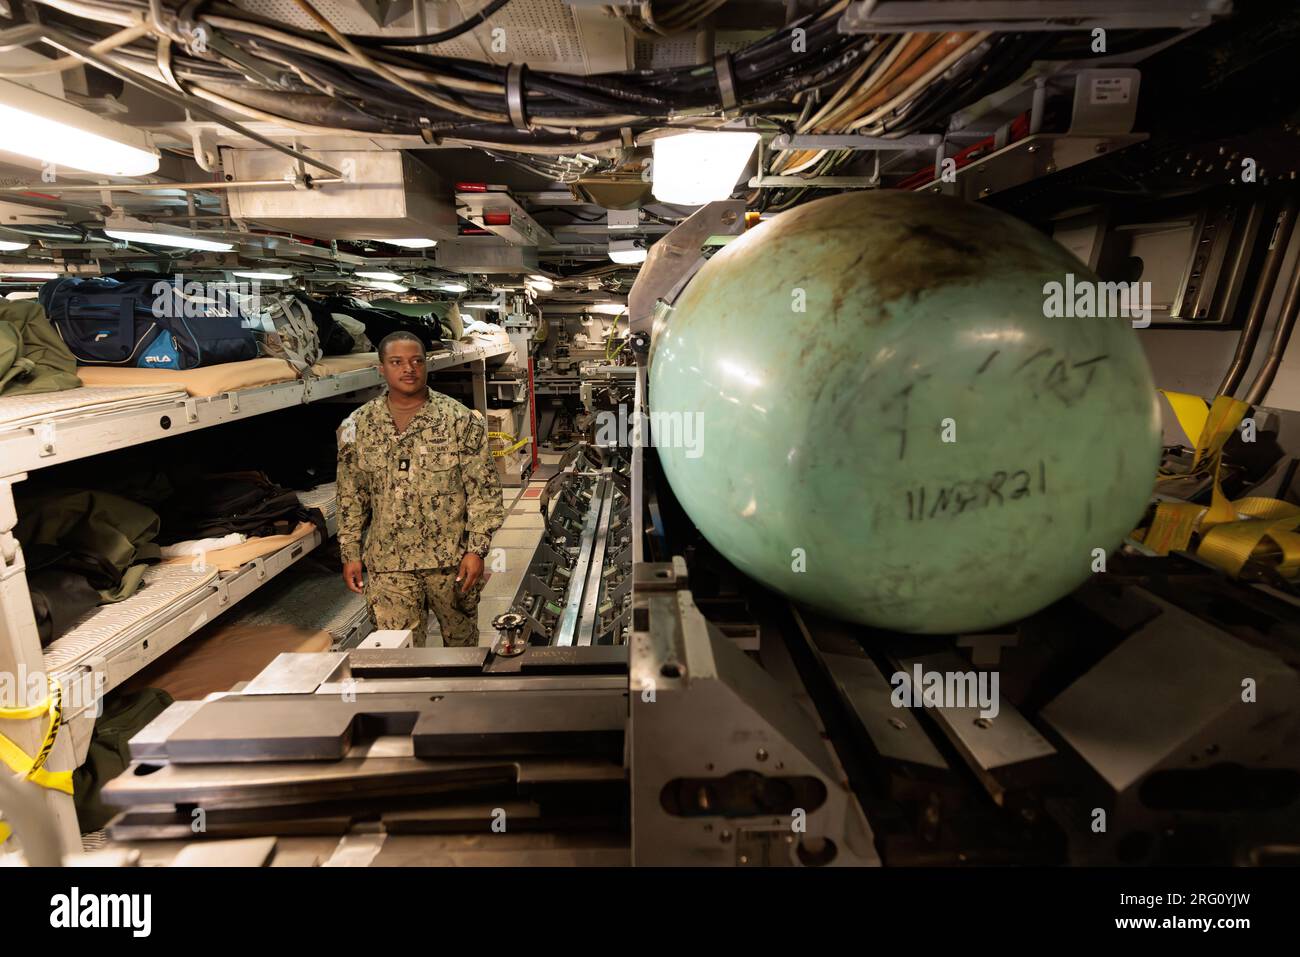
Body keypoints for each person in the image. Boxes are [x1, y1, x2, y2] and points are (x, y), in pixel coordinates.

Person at [336, 331, 505, 646]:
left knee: (461, 649)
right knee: (398, 655)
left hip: (450, 562)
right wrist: (350, 553)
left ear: (426, 365)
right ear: (381, 369)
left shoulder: (459, 420)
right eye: (396, 362)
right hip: (389, 565)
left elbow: (484, 492)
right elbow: (350, 496)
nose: (408, 369)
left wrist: (477, 550)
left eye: (416, 361)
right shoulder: (357, 426)